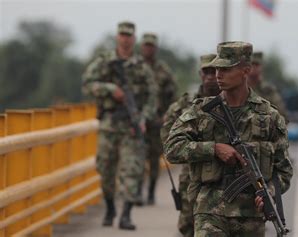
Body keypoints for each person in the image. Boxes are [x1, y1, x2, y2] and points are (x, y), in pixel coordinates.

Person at [164, 41, 293, 236]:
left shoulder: (269, 117)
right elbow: (172, 148)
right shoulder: (201, 111)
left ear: (245, 70)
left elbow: (283, 170)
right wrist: (214, 149)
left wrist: (271, 192)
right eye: (217, 68)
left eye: (226, 69)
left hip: (251, 216)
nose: (218, 74)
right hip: (209, 211)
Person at [82, 21, 157, 230]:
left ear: (134, 39)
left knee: (132, 170)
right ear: (117, 37)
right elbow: (87, 84)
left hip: (131, 127)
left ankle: (126, 215)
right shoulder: (104, 61)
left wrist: (143, 118)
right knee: (105, 170)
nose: (125, 39)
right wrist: (109, 89)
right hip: (109, 123)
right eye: (122, 35)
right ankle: (109, 207)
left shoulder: (141, 66)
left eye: (129, 35)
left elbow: (152, 97)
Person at [161, 53, 220, 237]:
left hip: (223, 173)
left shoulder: (232, 102)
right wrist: (202, 149)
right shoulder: (184, 105)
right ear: (200, 74)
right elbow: (168, 140)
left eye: (214, 71)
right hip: (192, 173)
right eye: (206, 72)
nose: (210, 76)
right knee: (188, 223)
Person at [138, 33, 177, 205]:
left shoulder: (163, 70)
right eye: (146, 45)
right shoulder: (135, 67)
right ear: (141, 47)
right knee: (137, 158)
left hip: (156, 121)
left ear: (155, 48)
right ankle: (137, 192)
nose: (148, 48)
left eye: (151, 45)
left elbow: (173, 95)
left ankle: (151, 191)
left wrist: (166, 116)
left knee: (154, 159)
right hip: (137, 121)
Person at [248, 51, 288, 119]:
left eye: (256, 64)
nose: (254, 67)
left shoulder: (268, 90)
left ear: (261, 67)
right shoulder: (240, 89)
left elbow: (282, 115)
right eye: (252, 64)